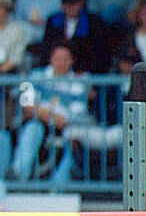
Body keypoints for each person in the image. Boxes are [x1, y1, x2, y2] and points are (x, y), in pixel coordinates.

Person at [12, 43, 90, 182]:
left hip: (64, 132)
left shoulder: (78, 85)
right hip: (37, 125)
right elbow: (28, 106)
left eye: (65, 59)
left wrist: (41, 110)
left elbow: (66, 120)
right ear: (51, 59)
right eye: (57, 58)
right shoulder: (36, 76)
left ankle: (56, 189)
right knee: (33, 128)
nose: (61, 62)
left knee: (71, 141)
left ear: (72, 60)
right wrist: (51, 115)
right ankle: (19, 177)